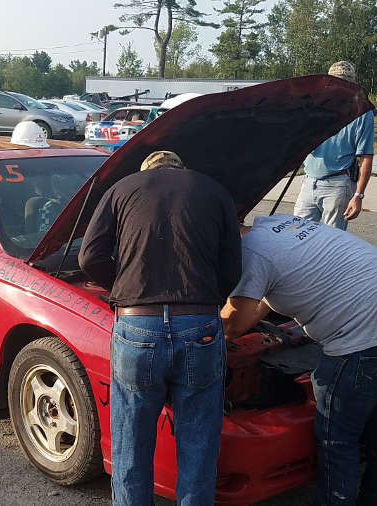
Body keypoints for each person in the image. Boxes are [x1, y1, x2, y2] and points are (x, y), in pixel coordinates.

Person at [221, 214, 377, 506]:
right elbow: (265, 299)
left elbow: (231, 324)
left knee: (337, 436)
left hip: (365, 339)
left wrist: (198, 333)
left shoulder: (251, 252)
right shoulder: (277, 224)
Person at [79, 151, 241, 506]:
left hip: (136, 324)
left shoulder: (122, 189)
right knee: (198, 441)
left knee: (131, 441)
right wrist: (208, 300)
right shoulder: (214, 191)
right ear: (180, 169)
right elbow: (232, 266)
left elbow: (88, 256)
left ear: (146, 172)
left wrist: (123, 288)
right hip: (200, 325)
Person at [294, 61, 374, 230]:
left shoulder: (362, 113)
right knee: (297, 234)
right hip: (309, 181)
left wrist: (358, 195)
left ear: (351, 85)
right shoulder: (317, 109)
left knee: (332, 241)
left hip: (338, 185)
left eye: (343, 83)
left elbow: (366, 157)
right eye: (335, 82)